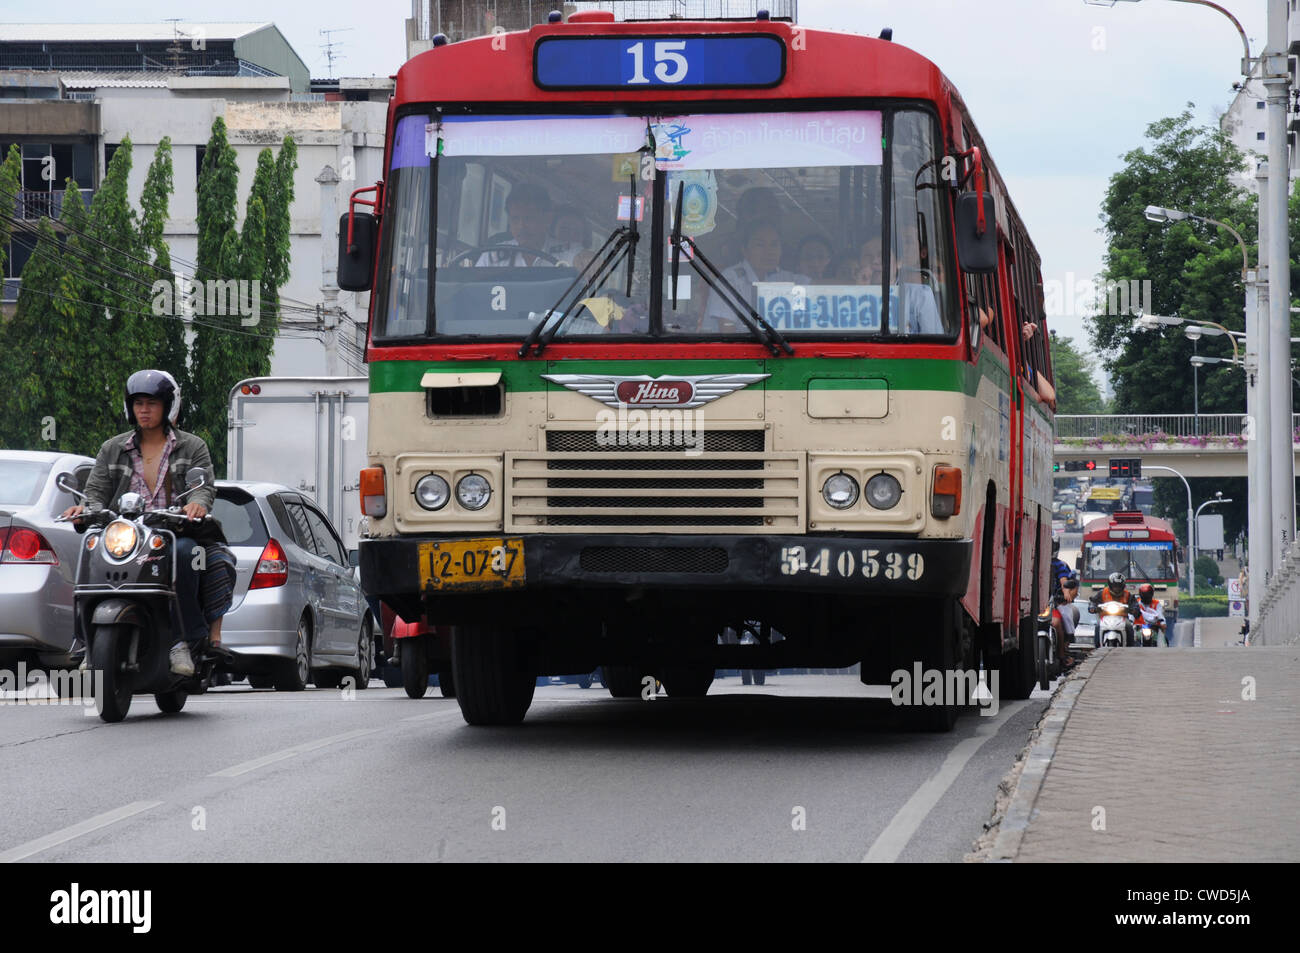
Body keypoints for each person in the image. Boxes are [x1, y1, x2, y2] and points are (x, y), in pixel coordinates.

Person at [61, 370, 236, 676]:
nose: (144, 409)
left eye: (152, 403)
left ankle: (184, 640)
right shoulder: (112, 447)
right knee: (90, 545)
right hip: (125, 532)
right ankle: (84, 639)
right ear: (130, 407)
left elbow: (205, 486)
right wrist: (84, 508)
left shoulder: (192, 446)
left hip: (173, 529)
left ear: (169, 406)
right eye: (138, 403)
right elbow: (95, 493)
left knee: (184, 554)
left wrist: (197, 504)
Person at [702, 219, 806, 330]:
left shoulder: (779, 276)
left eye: (774, 245)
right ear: (745, 250)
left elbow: (819, 286)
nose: (769, 251)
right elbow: (727, 332)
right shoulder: (731, 278)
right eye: (760, 245)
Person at [476, 183, 555, 266]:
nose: (521, 226)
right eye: (515, 219)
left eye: (529, 218)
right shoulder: (492, 255)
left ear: (547, 219)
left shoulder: (568, 255)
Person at [1090, 571, 1141, 643]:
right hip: (1105, 618)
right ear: (1110, 585)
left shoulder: (1128, 595)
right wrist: (1092, 607)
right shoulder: (1103, 593)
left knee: (1129, 626)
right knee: (1098, 626)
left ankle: (1130, 647)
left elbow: (1135, 605)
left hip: (1123, 619)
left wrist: (1134, 610)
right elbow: (1094, 601)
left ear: (1123, 586)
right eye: (1115, 586)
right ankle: (1097, 646)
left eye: (1119, 586)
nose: (1117, 589)